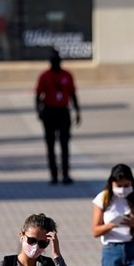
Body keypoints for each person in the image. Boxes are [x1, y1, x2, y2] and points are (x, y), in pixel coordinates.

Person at [35, 49, 81, 185]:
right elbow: (38, 95)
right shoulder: (45, 76)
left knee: (64, 144)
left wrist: (77, 111)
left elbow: (72, 94)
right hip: (49, 112)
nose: (55, 63)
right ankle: (54, 175)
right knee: (50, 145)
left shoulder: (67, 75)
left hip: (63, 112)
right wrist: (39, 111)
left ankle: (65, 174)